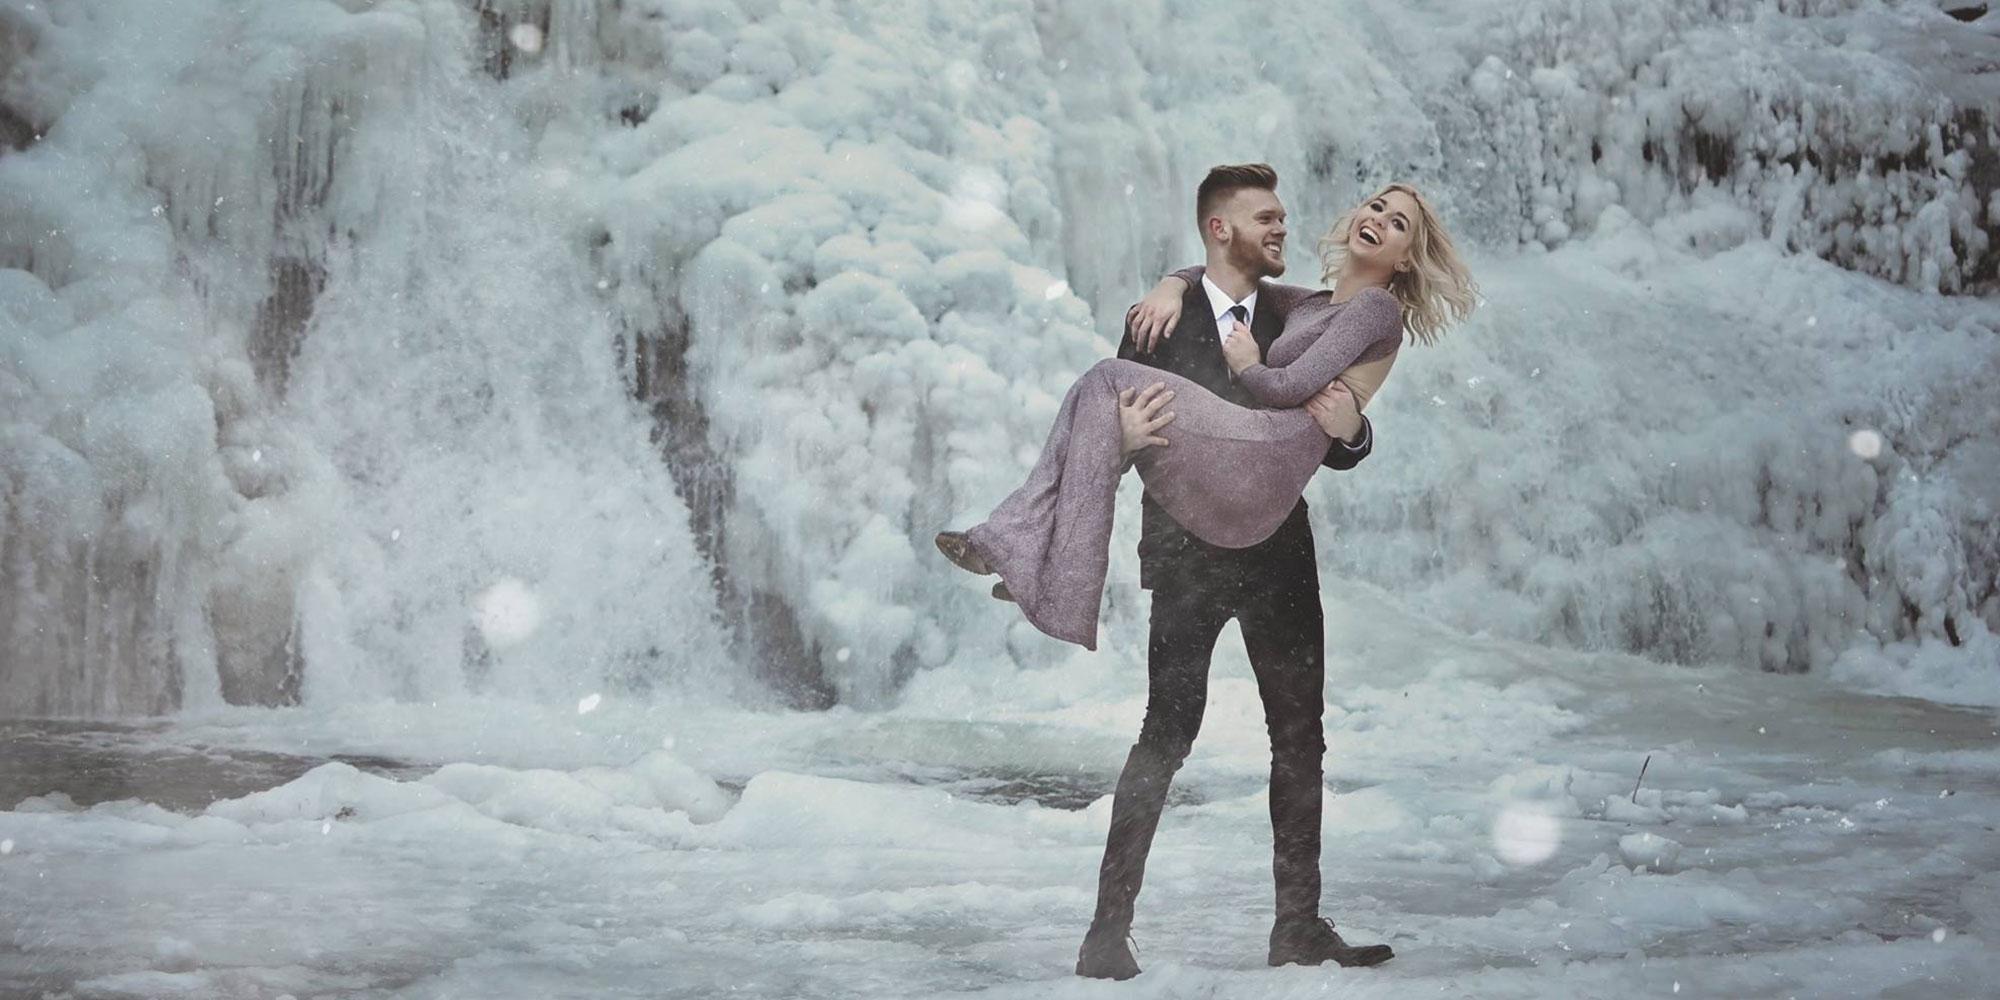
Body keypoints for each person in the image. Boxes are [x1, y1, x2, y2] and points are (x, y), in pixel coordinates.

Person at [935, 165, 1477, 979]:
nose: (1281, 229)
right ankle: (1106, 933)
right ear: (1221, 229)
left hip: (1277, 554)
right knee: (1166, 732)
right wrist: (1168, 289)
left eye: (1284, 220)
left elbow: (1332, 436)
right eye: (1264, 218)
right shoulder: (1163, 319)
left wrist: (1353, 429)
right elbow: (1113, 437)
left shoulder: (1305, 310)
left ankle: (1297, 925)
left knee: (1300, 739)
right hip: (1188, 552)